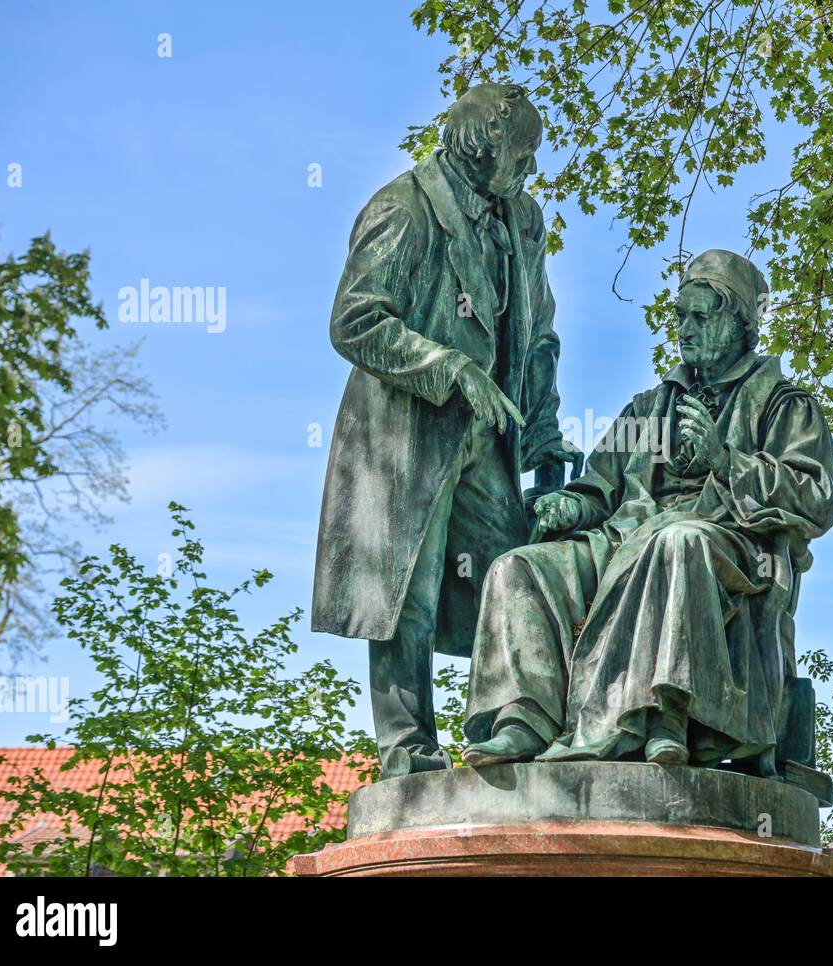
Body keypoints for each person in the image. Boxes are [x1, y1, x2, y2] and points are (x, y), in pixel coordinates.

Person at [464, 249, 833, 771]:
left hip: (727, 541)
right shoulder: (647, 408)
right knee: (519, 566)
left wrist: (725, 459)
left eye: (700, 317)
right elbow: (599, 487)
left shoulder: (783, 404)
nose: (684, 330)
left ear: (740, 323)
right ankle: (523, 717)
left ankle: (666, 715)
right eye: (680, 315)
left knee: (677, 540)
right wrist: (567, 505)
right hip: (626, 536)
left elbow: (816, 497)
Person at [312, 84, 571, 778]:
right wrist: (450, 368)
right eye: (523, 154)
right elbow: (355, 321)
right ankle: (406, 753)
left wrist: (544, 431)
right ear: (482, 147)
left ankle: (511, 728)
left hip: (487, 438)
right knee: (408, 593)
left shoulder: (521, 218)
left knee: (515, 574)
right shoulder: (404, 208)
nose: (530, 169)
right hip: (402, 439)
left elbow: (538, 334)